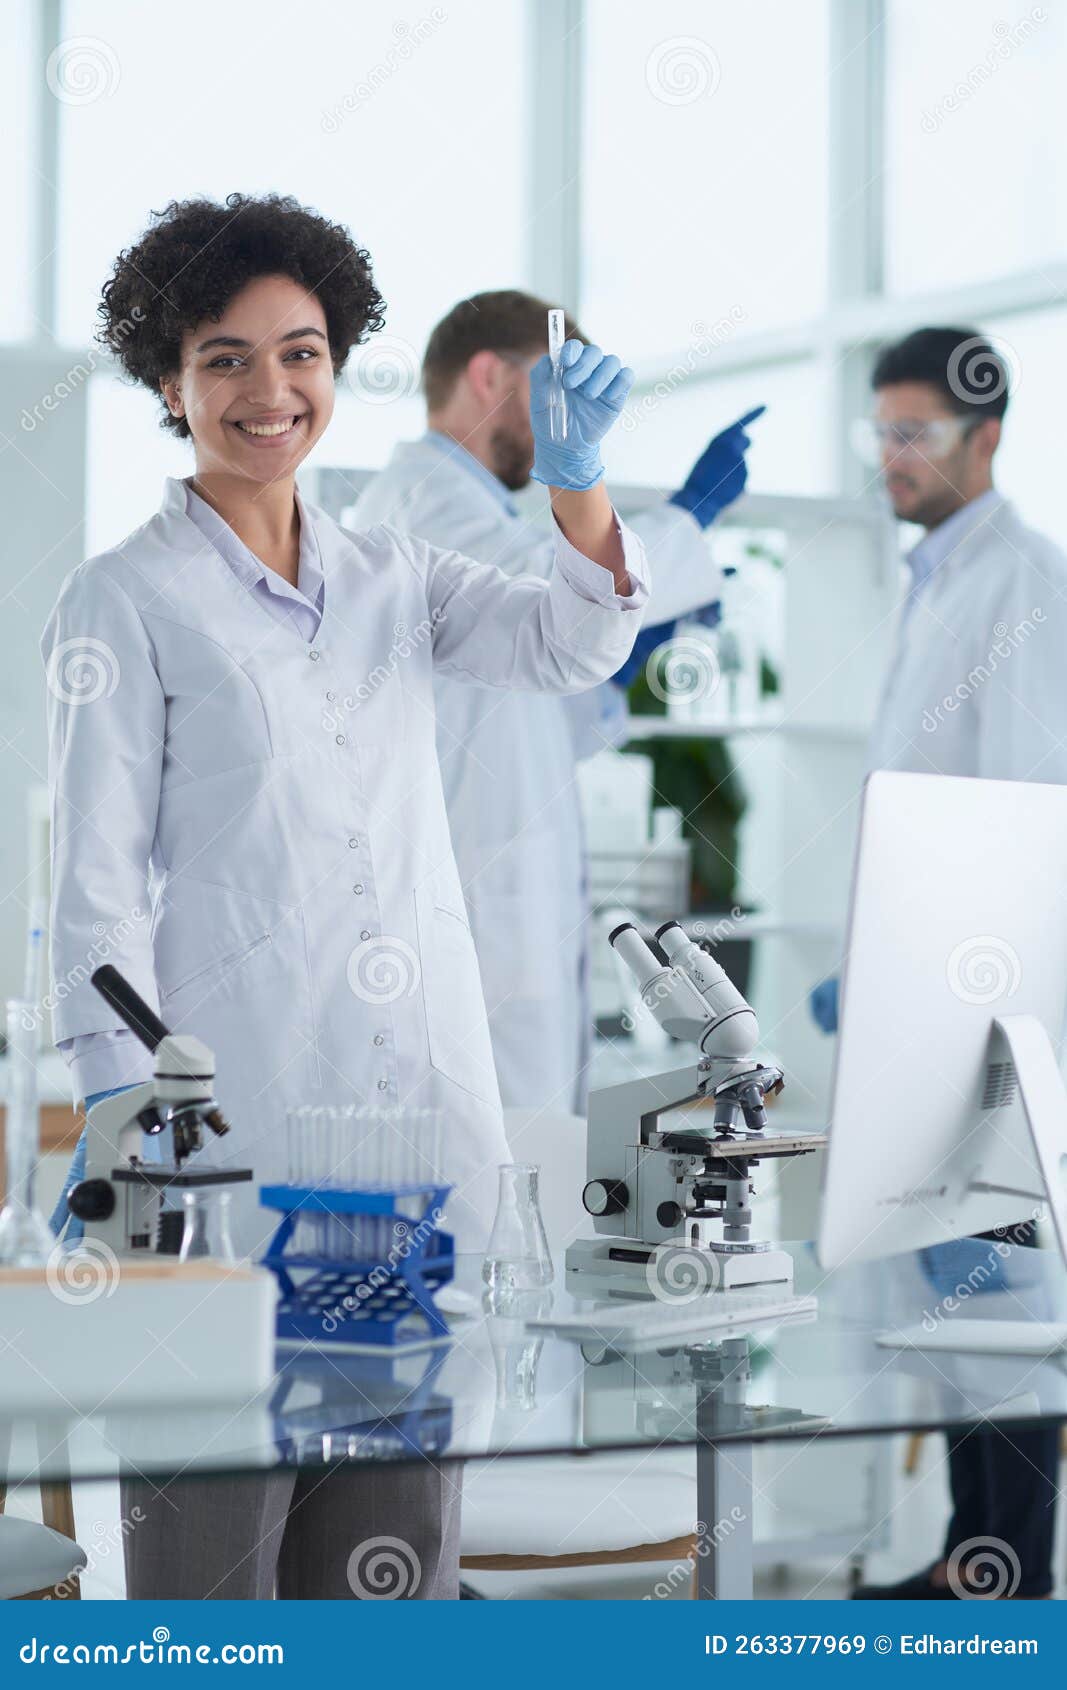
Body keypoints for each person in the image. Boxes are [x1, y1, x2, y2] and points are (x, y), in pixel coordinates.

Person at [42, 195, 648, 1599]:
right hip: (231, 1144)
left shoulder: (391, 572)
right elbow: (91, 892)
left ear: (340, 362)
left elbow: (569, 642)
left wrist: (576, 481)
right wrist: (129, 1117)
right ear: (168, 378)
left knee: (392, 1573)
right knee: (215, 1576)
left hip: (412, 1148)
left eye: (300, 352)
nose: (271, 391)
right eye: (227, 357)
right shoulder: (126, 598)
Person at [353, 290, 763, 1112]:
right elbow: (539, 584)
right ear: (487, 375)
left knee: (532, 1170)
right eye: (556, 393)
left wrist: (624, 651)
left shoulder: (469, 506)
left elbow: (533, 685)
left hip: (509, 907)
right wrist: (685, 519)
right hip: (471, 913)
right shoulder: (421, 497)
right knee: (491, 1179)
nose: (568, 420)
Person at [813, 325, 1067, 1600]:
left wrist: (937, 990)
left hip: (984, 1016)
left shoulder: (1018, 581)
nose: (892, 457)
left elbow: (1017, 814)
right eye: (883, 432)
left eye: (914, 433)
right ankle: (967, 1559)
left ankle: (1008, 1578)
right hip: (926, 1003)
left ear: (987, 435)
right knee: (959, 1304)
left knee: (1002, 1298)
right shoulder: (936, 579)